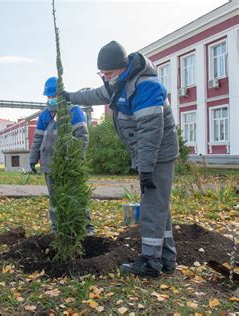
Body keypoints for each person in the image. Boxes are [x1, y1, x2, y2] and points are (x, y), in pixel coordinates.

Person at [62, 41, 179, 278]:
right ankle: (166, 259)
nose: (105, 78)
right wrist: (69, 96)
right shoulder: (119, 83)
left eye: (108, 73)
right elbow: (94, 95)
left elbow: (150, 133)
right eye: (101, 73)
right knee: (159, 207)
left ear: (122, 67)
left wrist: (145, 169)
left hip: (158, 154)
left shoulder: (146, 86)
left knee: (151, 206)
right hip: (147, 154)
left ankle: (150, 262)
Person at [29, 76, 94, 235]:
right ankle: (57, 228)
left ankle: (86, 228)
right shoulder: (45, 115)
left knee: (75, 194)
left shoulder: (74, 112)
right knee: (54, 199)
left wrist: (75, 159)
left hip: (69, 164)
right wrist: (33, 158)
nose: (51, 99)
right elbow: (37, 138)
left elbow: (82, 137)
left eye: (54, 96)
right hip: (49, 164)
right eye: (48, 96)